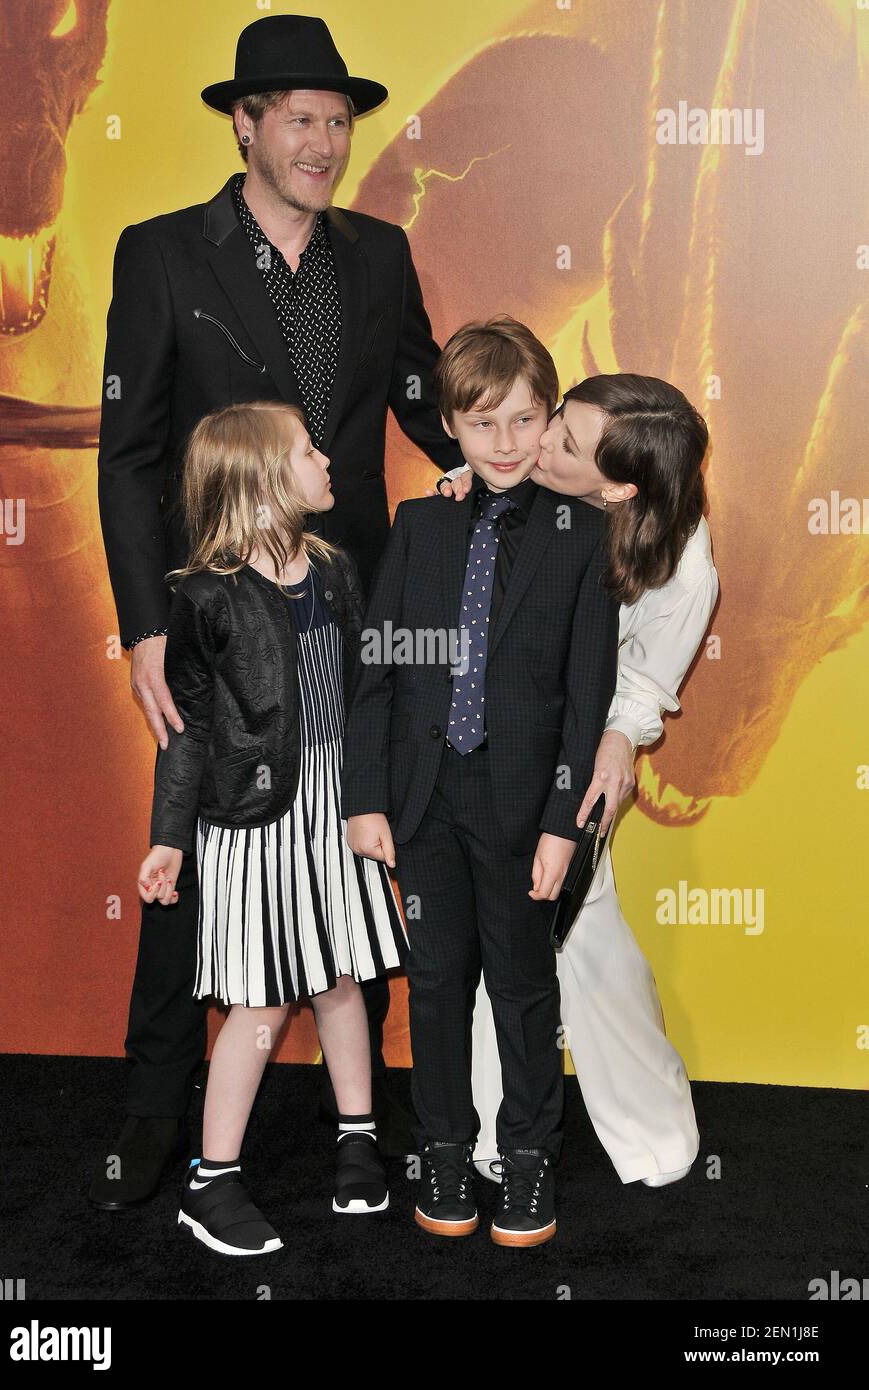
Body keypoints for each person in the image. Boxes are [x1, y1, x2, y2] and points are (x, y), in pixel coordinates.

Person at [93, 14, 469, 1209]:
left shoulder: (380, 251)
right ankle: (161, 1113)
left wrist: (486, 451)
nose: (323, 142)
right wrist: (146, 625)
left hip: (347, 608)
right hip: (212, 618)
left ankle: (368, 1117)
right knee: (202, 845)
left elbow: (418, 389)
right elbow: (128, 454)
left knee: (357, 837)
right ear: (244, 124)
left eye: (338, 121)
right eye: (298, 119)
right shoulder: (159, 254)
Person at [342, 317, 620, 1247]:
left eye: (523, 421)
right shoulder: (420, 524)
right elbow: (376, 670)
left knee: (522, 988)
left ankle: (529, 1160)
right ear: (451, 427)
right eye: (482, 424)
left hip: (520, 811)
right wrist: (364, 796)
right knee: (434, 986)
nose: (504, 444)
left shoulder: (585, 535)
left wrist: (562, 824)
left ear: (548, 422)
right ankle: (444, 1154)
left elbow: (587, 700)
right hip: (423, 803)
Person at [137, 399, 408, 1255]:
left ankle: (358, 1137)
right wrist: (169, 838)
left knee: (338, 979)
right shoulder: (204, 598)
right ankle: (210, 1181)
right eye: (305, 451)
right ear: (260, 484)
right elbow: (188, 730)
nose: (327, 460)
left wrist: (379, 792)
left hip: (337, 804)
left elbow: (367, 689)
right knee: (259, 1000)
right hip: (255, 819)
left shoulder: (332, 568)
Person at [447, 374, 718, 1187]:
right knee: (533, 934)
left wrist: (613, 747)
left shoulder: (683, 565)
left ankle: (613, 1132)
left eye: (562, 443)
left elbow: (640, 688)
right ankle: (506, 1134)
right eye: (556, 420)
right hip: (498, 748)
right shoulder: (518, 487)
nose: (536, 441)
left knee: (567, 932)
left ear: (619, 487)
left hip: (575, 762)